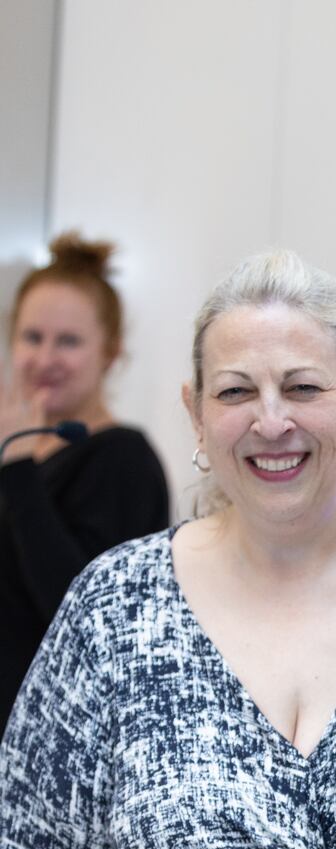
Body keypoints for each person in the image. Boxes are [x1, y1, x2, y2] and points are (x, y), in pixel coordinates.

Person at [0, 250, 336, 849]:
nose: (271, 420)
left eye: (302, 386)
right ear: (195, 414)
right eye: (235, 391)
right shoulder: (116, 605)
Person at [0, 232, 168, 721]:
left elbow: (83, 614)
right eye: (32, 337)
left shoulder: (123, 459)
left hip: (46, 746)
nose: (45, 358)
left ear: (110, 355)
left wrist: (18, 473)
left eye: (68, 341)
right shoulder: (21, 451)